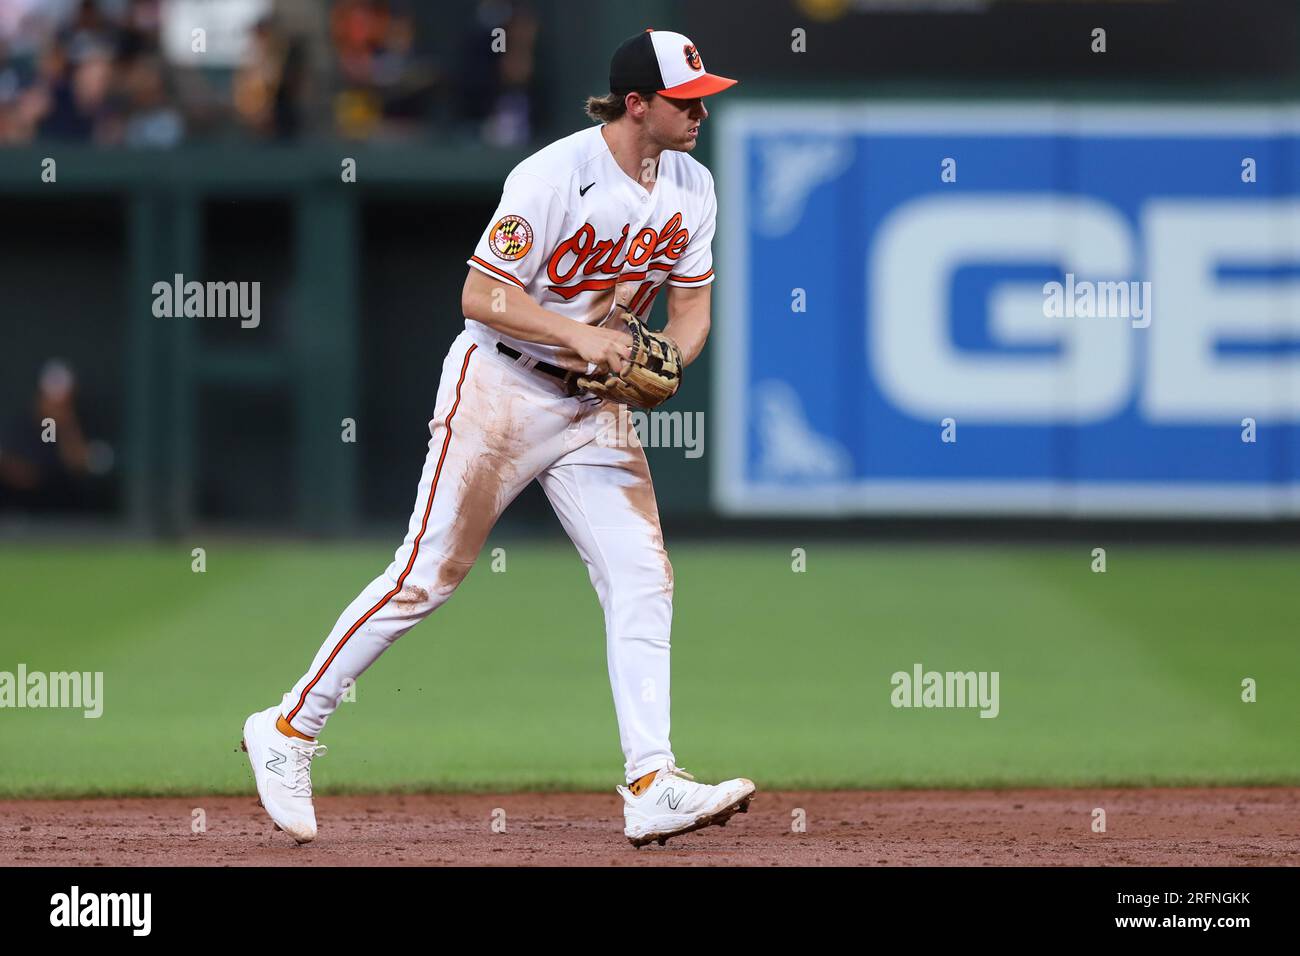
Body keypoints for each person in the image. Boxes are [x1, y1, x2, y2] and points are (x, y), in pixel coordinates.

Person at [242, 28, 751, 849]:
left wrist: (665, 362)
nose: (699, 113)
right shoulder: (553, 174)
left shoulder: (694, 186)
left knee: (642, 576)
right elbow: (480, 295)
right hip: (501, 386)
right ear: (636, 105)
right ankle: (289, 727)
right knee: (424, 577)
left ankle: (653, 781)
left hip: (591, 408)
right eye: (684, 101)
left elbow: (690, 312)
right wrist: (580, 338)